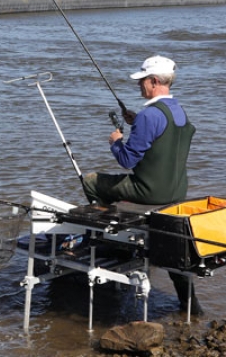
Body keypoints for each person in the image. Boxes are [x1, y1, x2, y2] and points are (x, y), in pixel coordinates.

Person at [81, 55, 202, 315]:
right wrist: (136, 122)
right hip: (177, 192)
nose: (139, 85)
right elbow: (164, 136)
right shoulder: (178, 110)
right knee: (174, 249)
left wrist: (116, 141)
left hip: (148, 190)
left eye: (142, 81)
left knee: (91, 181)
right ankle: (191, 306)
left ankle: (112, 243)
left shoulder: (150, 115)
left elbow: (127, 160)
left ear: (154, 81)